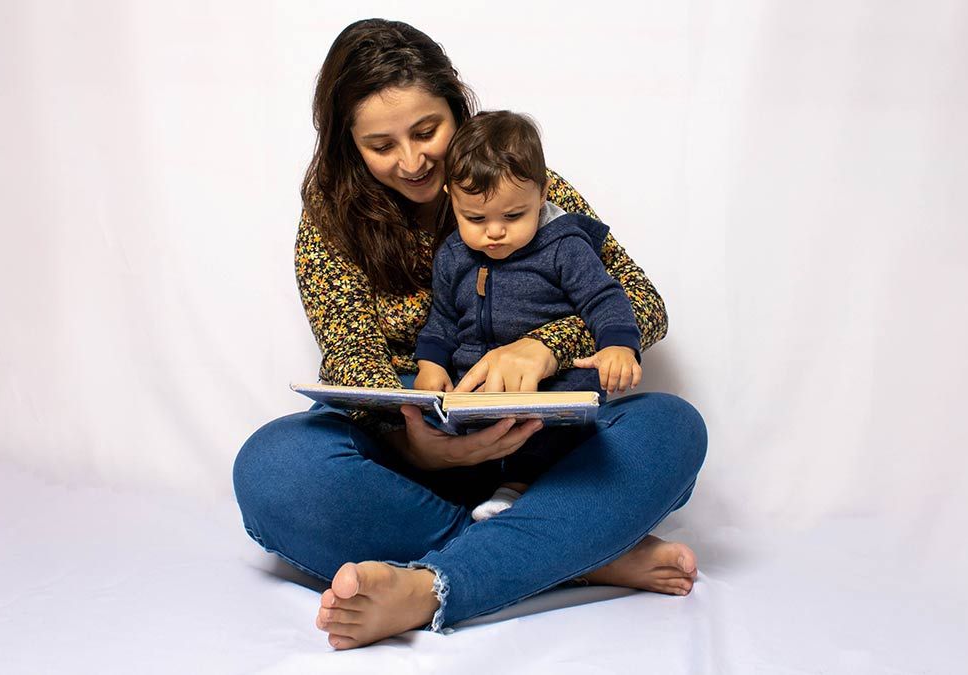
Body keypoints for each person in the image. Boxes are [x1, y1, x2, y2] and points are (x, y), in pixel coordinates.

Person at [232, 18, 708, 650]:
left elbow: (640, 304)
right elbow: (348, 351)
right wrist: (415, 444)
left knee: (670, 430)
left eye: (427, 130)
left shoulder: (517, 179)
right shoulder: (330, 213)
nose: (411, 160)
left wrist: (544, 346)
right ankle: (573, 550)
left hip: (544, 442)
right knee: (273, 469)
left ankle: (445, 580)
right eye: (381, 145)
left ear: (456, 102)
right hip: (418, 460)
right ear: (350, 143)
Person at [414, 110, 645, 522]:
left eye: (513, 216)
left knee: (573, 395)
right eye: (476, 218)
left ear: (541, 195)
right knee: (438, 419)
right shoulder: (453, 256)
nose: (495, 232)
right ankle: (476, 494)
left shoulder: (563, 246)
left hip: (547, 388)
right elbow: (443, 320)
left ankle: (518, 490)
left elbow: (604, 297)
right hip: (480, 391)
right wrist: (430, 365)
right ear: (451, 197)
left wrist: (618, 346)